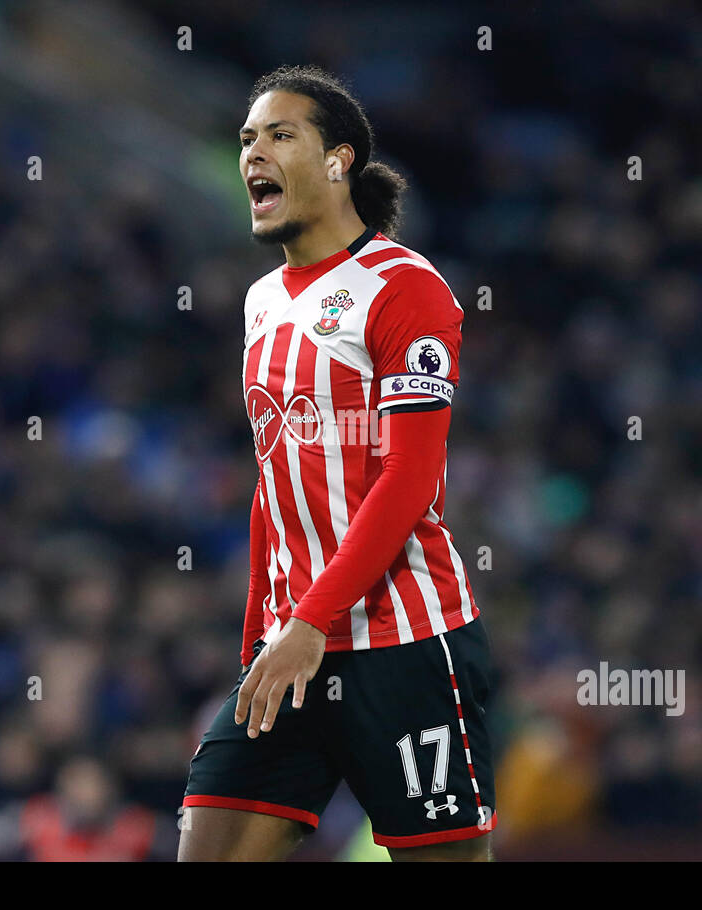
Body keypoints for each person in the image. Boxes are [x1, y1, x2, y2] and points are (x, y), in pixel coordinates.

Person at [178, 65, 495, 862]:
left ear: (338, 160)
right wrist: (263, 636)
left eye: (281, 134)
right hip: (292, 652)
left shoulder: (405, 287)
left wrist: (311, 621)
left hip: (404, 645)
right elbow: (274, 479)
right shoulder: (260, 302)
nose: (255, 152)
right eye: (248, 138)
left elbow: (410, 477)